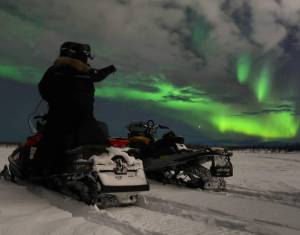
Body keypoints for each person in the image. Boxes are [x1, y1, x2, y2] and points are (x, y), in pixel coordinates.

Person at [35, 41, 116, 174]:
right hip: (87, 119)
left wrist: (54, 100)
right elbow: (99, 74)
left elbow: (43, 89)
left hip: (60, 117)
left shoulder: (55, 71)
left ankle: (41, 172)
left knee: (48, 143)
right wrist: (111, 68)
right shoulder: (88, 73)